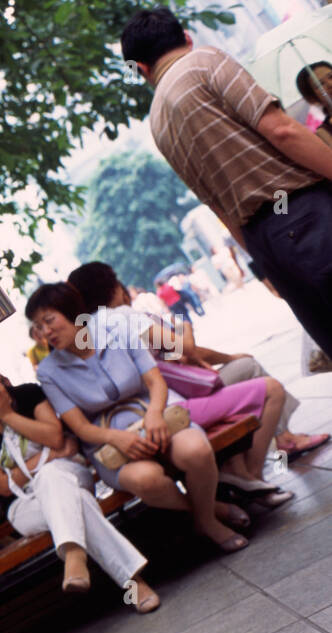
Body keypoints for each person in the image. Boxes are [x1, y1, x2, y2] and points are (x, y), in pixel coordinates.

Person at [122, 7, 332, 358]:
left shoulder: (158, 121)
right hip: (306, 214)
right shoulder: (205, 61)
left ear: (141, 68)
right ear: (186, 37)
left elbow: (217, 204)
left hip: (266, 243)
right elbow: (281, 130)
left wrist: (263, 263)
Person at [27, 281, 256, 553]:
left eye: (49, 320)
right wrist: (118, 438)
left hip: (154, 418)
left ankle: (206, 521)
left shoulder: (118, 331)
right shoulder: (49, 371)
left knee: (196, 450)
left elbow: (155, 382)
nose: (46, 331)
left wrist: (156, 414)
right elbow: (79, 426)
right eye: (38, 326)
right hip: (108, 441)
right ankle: (212, 513)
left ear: (74, 313)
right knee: (146, 479)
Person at [0, 344, 159, 611]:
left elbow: (55, 436)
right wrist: (50, 455)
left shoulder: (29, 394)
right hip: (24, 506)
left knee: (51, 476)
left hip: (69, 475)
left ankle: (75, 556)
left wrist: (8, 416)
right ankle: (126, 579)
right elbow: (0, 485)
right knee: (75, 501)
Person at [69, 261, 327, 459]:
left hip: (136, 415)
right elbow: (185, 349)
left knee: (242, 365)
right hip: (175, 401)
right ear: (113, 288)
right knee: (252, 369)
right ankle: (283, 441)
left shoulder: (87, 329)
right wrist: (184, 327)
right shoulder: (121, 315)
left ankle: (275, 442)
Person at [295, 60, 332, 147]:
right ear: (312, 97)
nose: (330, 84)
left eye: (331, 76)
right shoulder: (324, 132)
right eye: (320, 84)